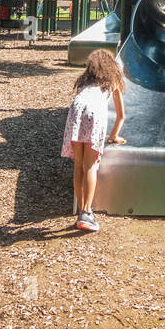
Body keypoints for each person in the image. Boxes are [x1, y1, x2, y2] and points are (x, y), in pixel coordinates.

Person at [62, 48, 126, 233]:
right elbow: (121, 116)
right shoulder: (111, 82)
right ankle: (87, 212)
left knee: (79, 164)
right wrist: (113, 136)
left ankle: (81, 212)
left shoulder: (83, 81)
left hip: (76, 110)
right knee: (90, 166)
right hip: (93, 114)